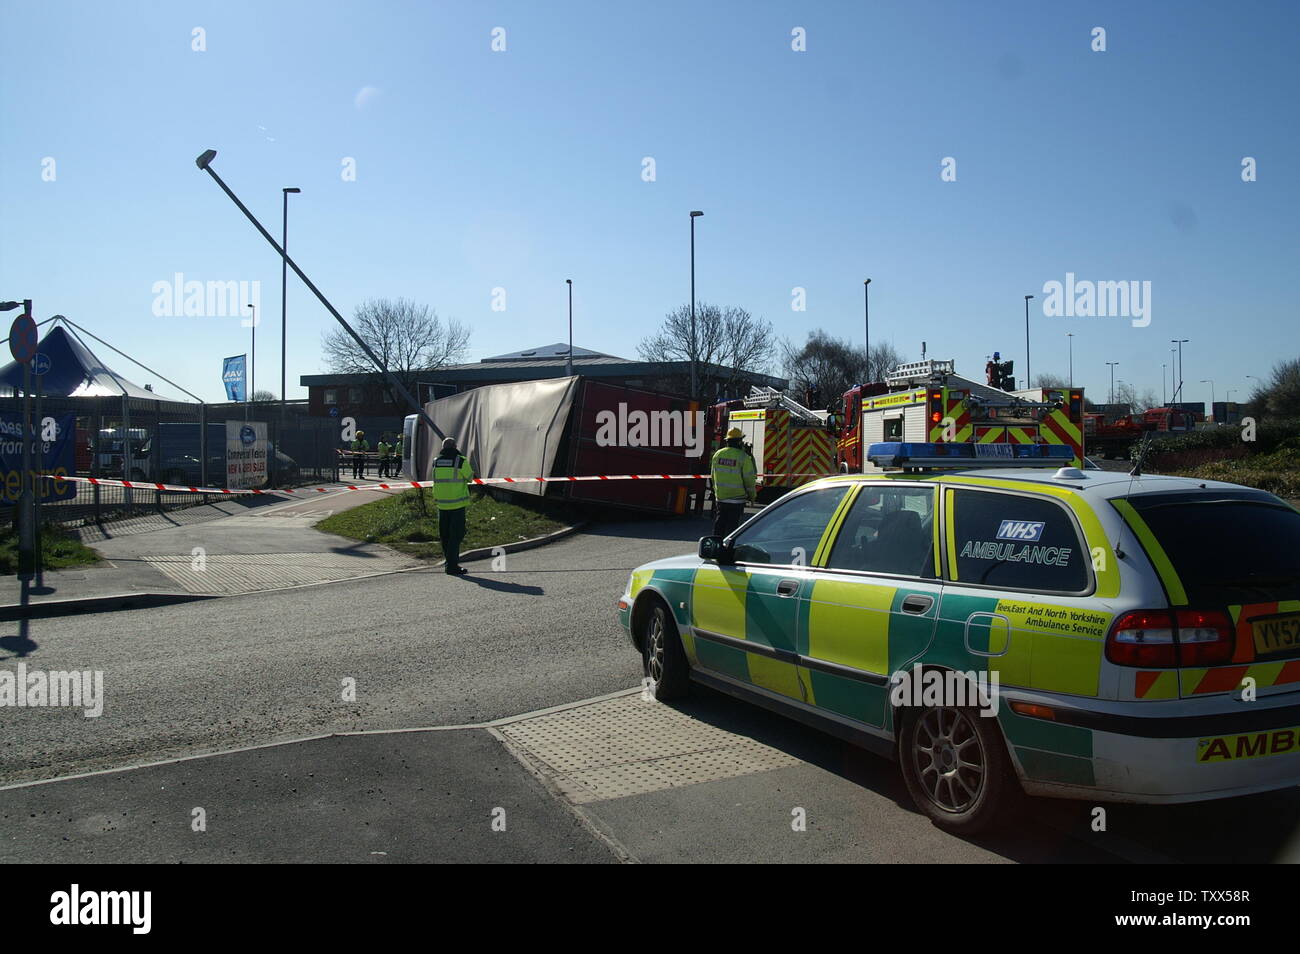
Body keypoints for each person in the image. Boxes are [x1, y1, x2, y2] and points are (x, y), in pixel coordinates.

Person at [433, 437, 475, 575]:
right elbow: (470, 477)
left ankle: (448, 562)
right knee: (456, 535)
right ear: (455, 446)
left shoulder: (436, 461)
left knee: (445, 535)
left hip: (441, 504)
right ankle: (452, 566)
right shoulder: (460, 460)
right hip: (457, 504)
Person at [710, 427, 756, 538]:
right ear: (740, 441)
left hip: (721, 498)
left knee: (719, 524)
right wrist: (752, 496)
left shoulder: (718, 454)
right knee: (733, 527)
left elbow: (713, 476)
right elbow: (749, 480)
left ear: (727, 441)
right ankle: (729, 550)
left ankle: (715, 547)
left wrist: (716, 492)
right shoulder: (743, 457)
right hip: (737, 499)